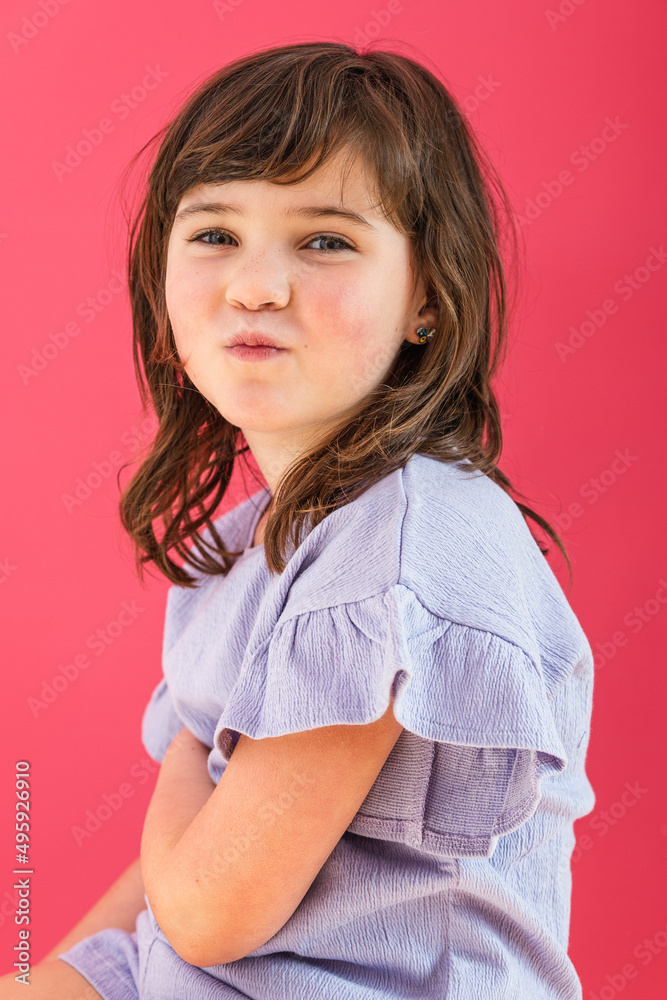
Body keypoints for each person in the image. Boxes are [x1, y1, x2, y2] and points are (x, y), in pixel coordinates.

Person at [8, 40, 595, 1000]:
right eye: (214, 234)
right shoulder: (259, 540)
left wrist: (190, 745)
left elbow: (206, 910)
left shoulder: (399, 546)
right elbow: (165, 908)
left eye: (324, 241)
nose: (255, 286)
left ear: (427, 300)